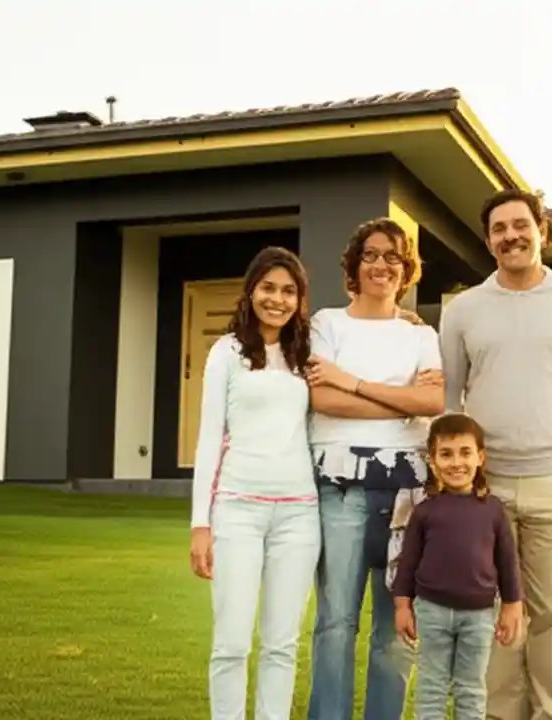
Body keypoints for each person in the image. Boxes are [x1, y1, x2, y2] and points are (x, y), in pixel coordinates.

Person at [439, 189, 552, 720]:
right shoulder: (464, 309)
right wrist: (458, 480)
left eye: (520, 225)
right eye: (498, 229)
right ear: (488, 238)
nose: (510, 236)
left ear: (541, 230)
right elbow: (451, 399)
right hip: (484, 489)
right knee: (493, 612)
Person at [303, 217, 445, 720]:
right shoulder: (327, 323)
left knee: (395, 629)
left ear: (406, 269)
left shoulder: (421, 334)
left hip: (407, 494)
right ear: (354, 264)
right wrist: (403, 403)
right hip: (340, 488)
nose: (381, 264)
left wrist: (354, 384)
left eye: (392, 257)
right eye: (370, 254)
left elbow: (433, 401)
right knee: (336, 622)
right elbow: (321, 399)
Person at [188, 246, 321, 720]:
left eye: (289, 291)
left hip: (299, 514)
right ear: (250, 290)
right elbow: (208, 439)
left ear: (299, 299)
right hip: (237, 509)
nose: (277, 299)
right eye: (268, 287)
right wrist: (200, 525)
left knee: (282, 645)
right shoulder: (225, 352)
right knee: (231, 642)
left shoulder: (306, 352)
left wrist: (406, 320)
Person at [392, 413, 523, 720]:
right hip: (432, 612)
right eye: (446, 454)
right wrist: (402, 607)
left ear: (480, 457)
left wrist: (512, 605)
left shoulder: (492, 511)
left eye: (465, 453)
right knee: (431, 687)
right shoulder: (424, 512)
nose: (456, 463)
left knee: (471, 688)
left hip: (478, 616)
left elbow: (507, 561)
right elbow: (407, 562)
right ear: (433, 460)